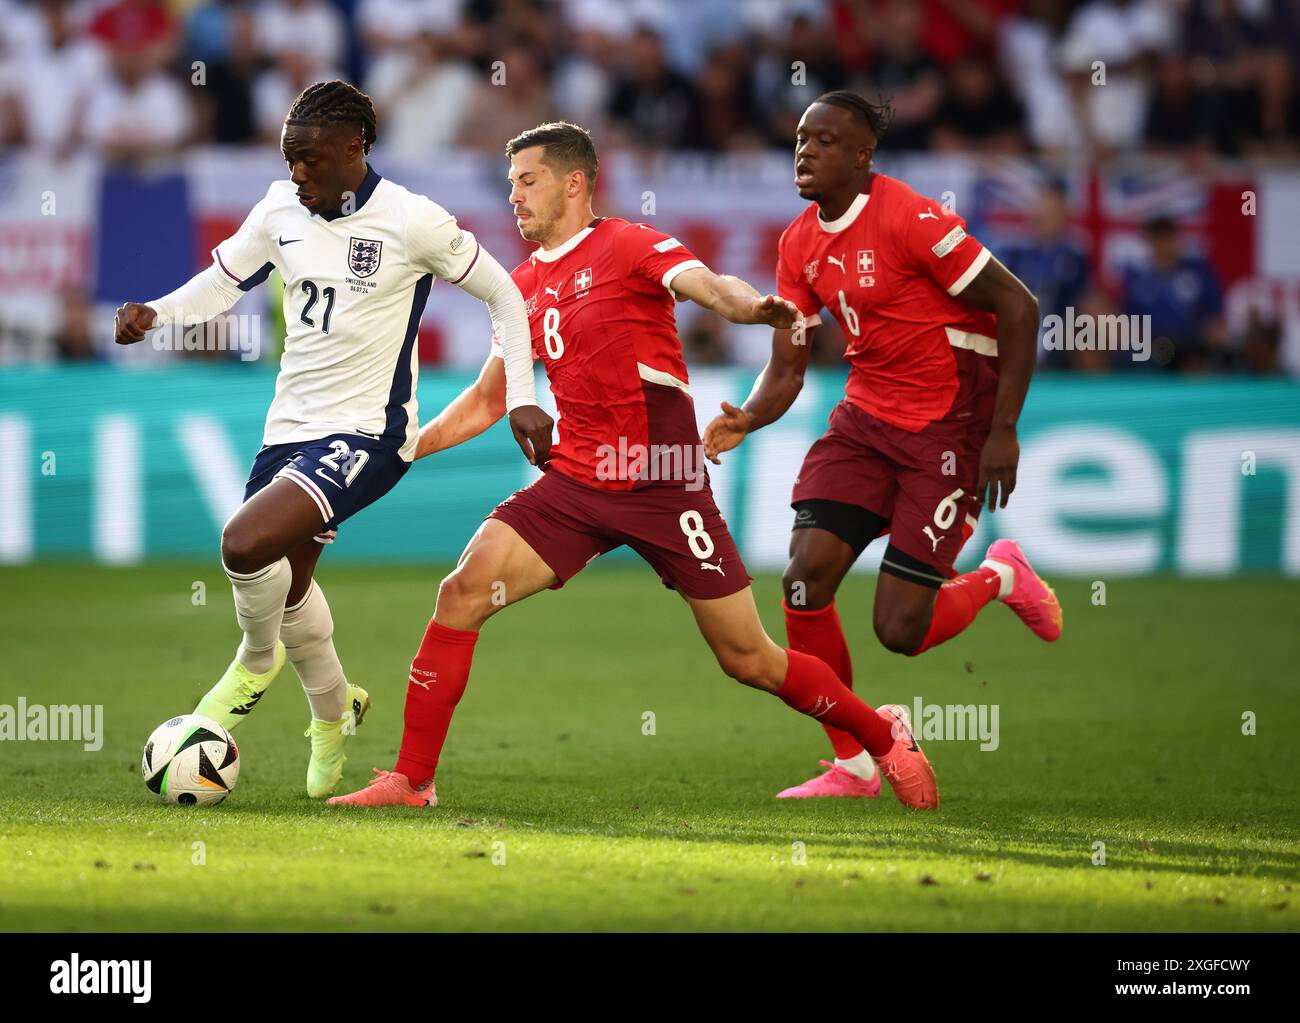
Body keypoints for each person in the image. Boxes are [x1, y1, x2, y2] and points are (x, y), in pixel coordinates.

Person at [329, 121, 940, 812]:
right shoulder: (519, 285)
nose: (515, 197)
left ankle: (880, 731)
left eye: (527, 182)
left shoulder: (628, 243)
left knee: (749, 659)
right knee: (463, 590)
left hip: (665, 484)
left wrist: (756, 309)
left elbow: (708, 285)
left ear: (573, 182)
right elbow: (488, 399)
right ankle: (411, 781)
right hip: (576, 483)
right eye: (510, 185)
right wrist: (405, 447)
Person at [112, 80, 552, 798]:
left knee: (244, 544)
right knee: (289, 591)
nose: (297, 174)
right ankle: (334, 710)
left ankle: (254, 665)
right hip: (288, 427)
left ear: (355, 148)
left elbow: (506, 293)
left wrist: (524, 398)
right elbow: (224, 282)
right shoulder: (280, 207)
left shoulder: (413, 221)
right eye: (290, 159)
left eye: (311, 159)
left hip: (369, 432)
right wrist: (155, 314)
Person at [702, 92, 1061, 801]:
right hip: (866, 418)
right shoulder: (798, 243)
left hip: (949, 424)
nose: (805, 150)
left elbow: (1019, 306)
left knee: (899, 628)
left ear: (864, 155)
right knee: (803, 579)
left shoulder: (913, 218)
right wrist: (748, 415)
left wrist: (1002, 429)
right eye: (801, 137)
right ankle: (857, 761)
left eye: (826, 140)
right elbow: (788, 367)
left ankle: (1000, 577)